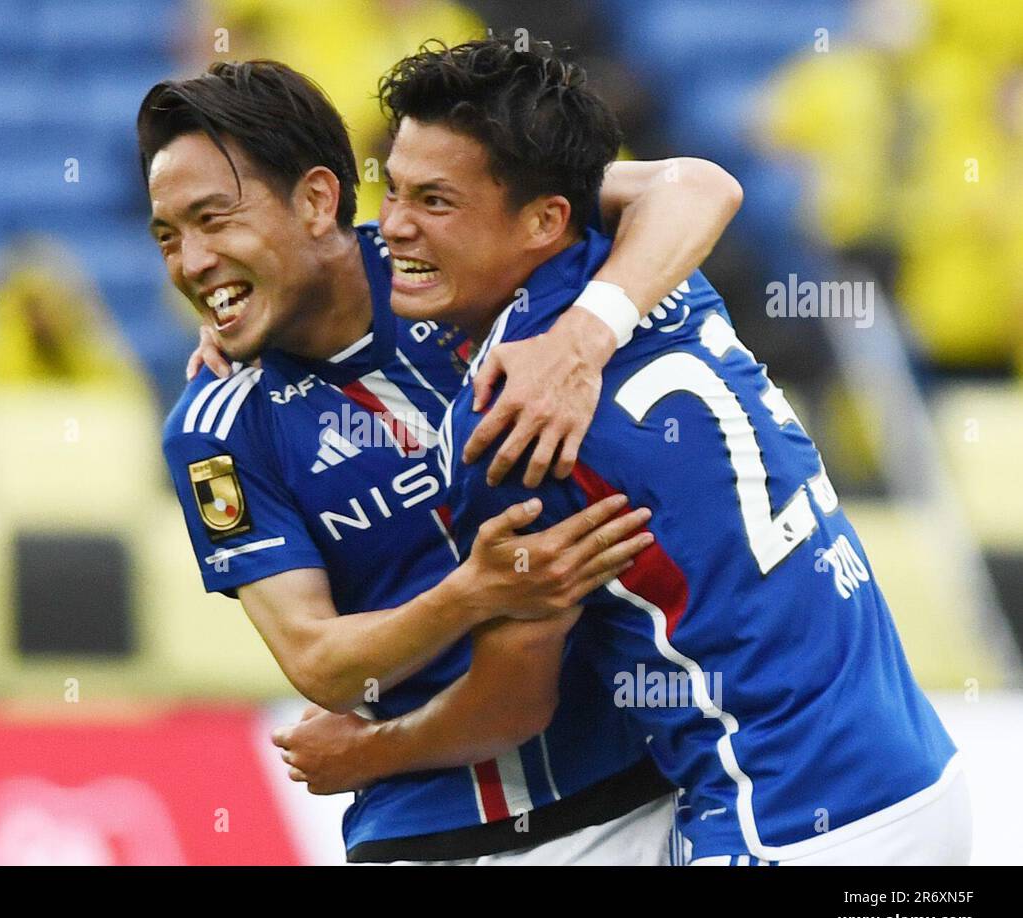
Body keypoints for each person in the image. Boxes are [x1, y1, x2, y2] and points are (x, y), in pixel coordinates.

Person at [282, 38, 967, 866]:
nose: (393, 225)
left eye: (435, 200)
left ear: (543, 219)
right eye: (390, 190)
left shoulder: (507, 423)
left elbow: (512, 707)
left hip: (778, 816)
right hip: (921, 779)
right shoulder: (650, 264)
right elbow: (696, 183)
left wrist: (363, 752)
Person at [144, 57, 741, 863]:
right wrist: (473, 592)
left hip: (636, 793)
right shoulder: (215, 429)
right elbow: (317, 660)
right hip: (429, 836)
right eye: (168, 237)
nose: (191, 262)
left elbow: (697, 190)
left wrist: (581, 337)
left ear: (318, 200)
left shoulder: (453, 252)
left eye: (214, 219)